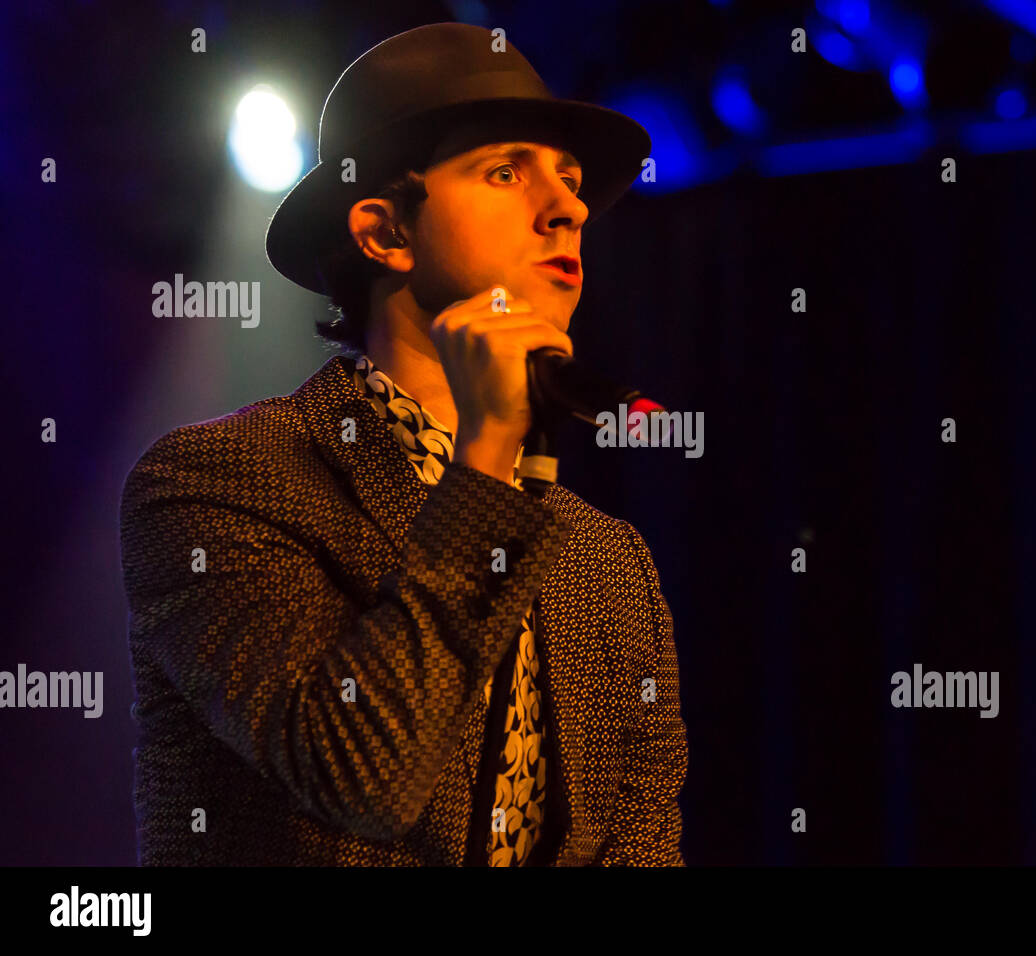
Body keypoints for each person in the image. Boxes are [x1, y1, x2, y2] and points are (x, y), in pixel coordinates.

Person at [118, 22, 687, 866]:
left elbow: (646, 849)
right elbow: (360, 775)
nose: (568, 207)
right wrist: (491, 449)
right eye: (506, 172)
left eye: (568, 182)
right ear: (384, 232)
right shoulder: (223, 481)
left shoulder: (610, 562)